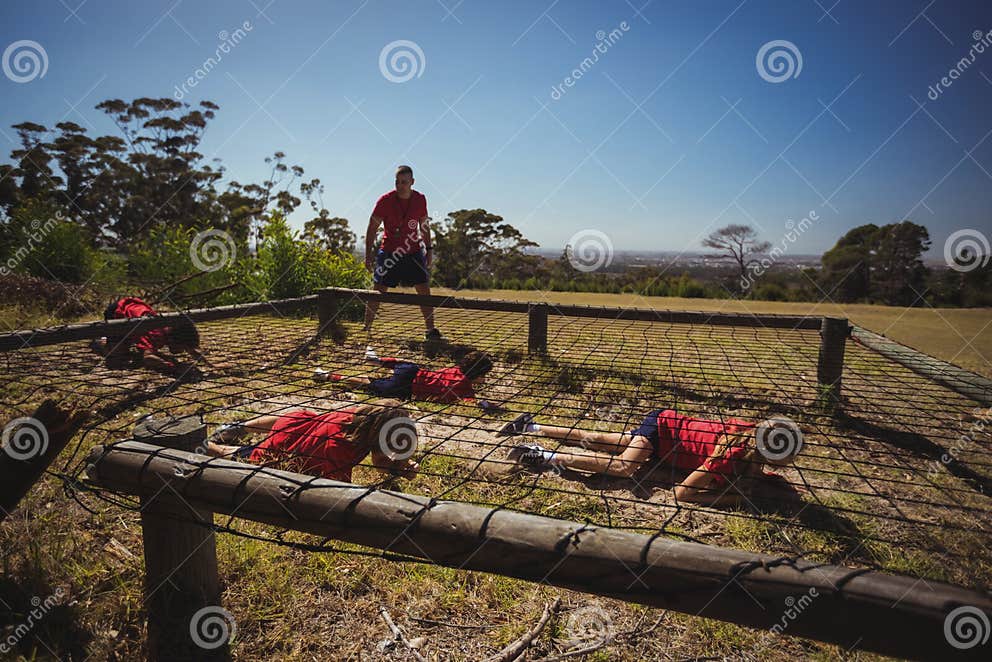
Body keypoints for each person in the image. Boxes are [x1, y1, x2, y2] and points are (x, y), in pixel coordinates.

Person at [500, 409, 802, 506]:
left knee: (605, 441)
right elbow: (684, 493)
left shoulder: (749, 434)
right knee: (624, 467)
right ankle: (541, 454)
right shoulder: (729, 453)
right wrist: (734, 499)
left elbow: (747, 472)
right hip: (663, 431)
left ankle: (531, 426)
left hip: (666, 428)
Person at [206, 400, 419, 482]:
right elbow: (340, 494)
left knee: (300, 417)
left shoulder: (359, 417)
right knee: (242, 456)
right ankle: (207, 446)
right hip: (281, 455)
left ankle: (239, 427)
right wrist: (393, 469)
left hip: (294, 431)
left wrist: (402, 463)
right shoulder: (339, 452)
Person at [364, 165, 442, 341]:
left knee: (424, 289)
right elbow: (372, 228)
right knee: (378, 291)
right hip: (389, 251)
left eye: (404, 182)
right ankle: (366, 328)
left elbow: (424, 226)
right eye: (397, 182)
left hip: (413, 251)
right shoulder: (384, 201)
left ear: (412, 182)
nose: (400, 185)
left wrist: (429, 250)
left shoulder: (420, 199)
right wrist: (368, 255)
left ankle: (430, 330)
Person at [315, 347, 498, 411]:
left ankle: (378, 361)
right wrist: (489, 405)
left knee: (405, 364)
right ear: (478, 375)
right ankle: (329, 376)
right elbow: (472, 404)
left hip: (415, 372)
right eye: (484, 376)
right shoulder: (466, 390)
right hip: (406, 389)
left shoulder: (455, 370)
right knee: (367, 384)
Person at [91, 296, 210, 379]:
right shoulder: (155, 335)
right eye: (182, 348)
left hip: (134, 311)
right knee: (117, 352)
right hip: (117, 312)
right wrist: (176, 367)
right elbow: (148, 358)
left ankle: (126, 338)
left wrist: (210, 365)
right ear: (173, 340)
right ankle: (99, 339)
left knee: (134, 342)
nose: (183, 351)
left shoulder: (172, 331)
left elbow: (190, 347)